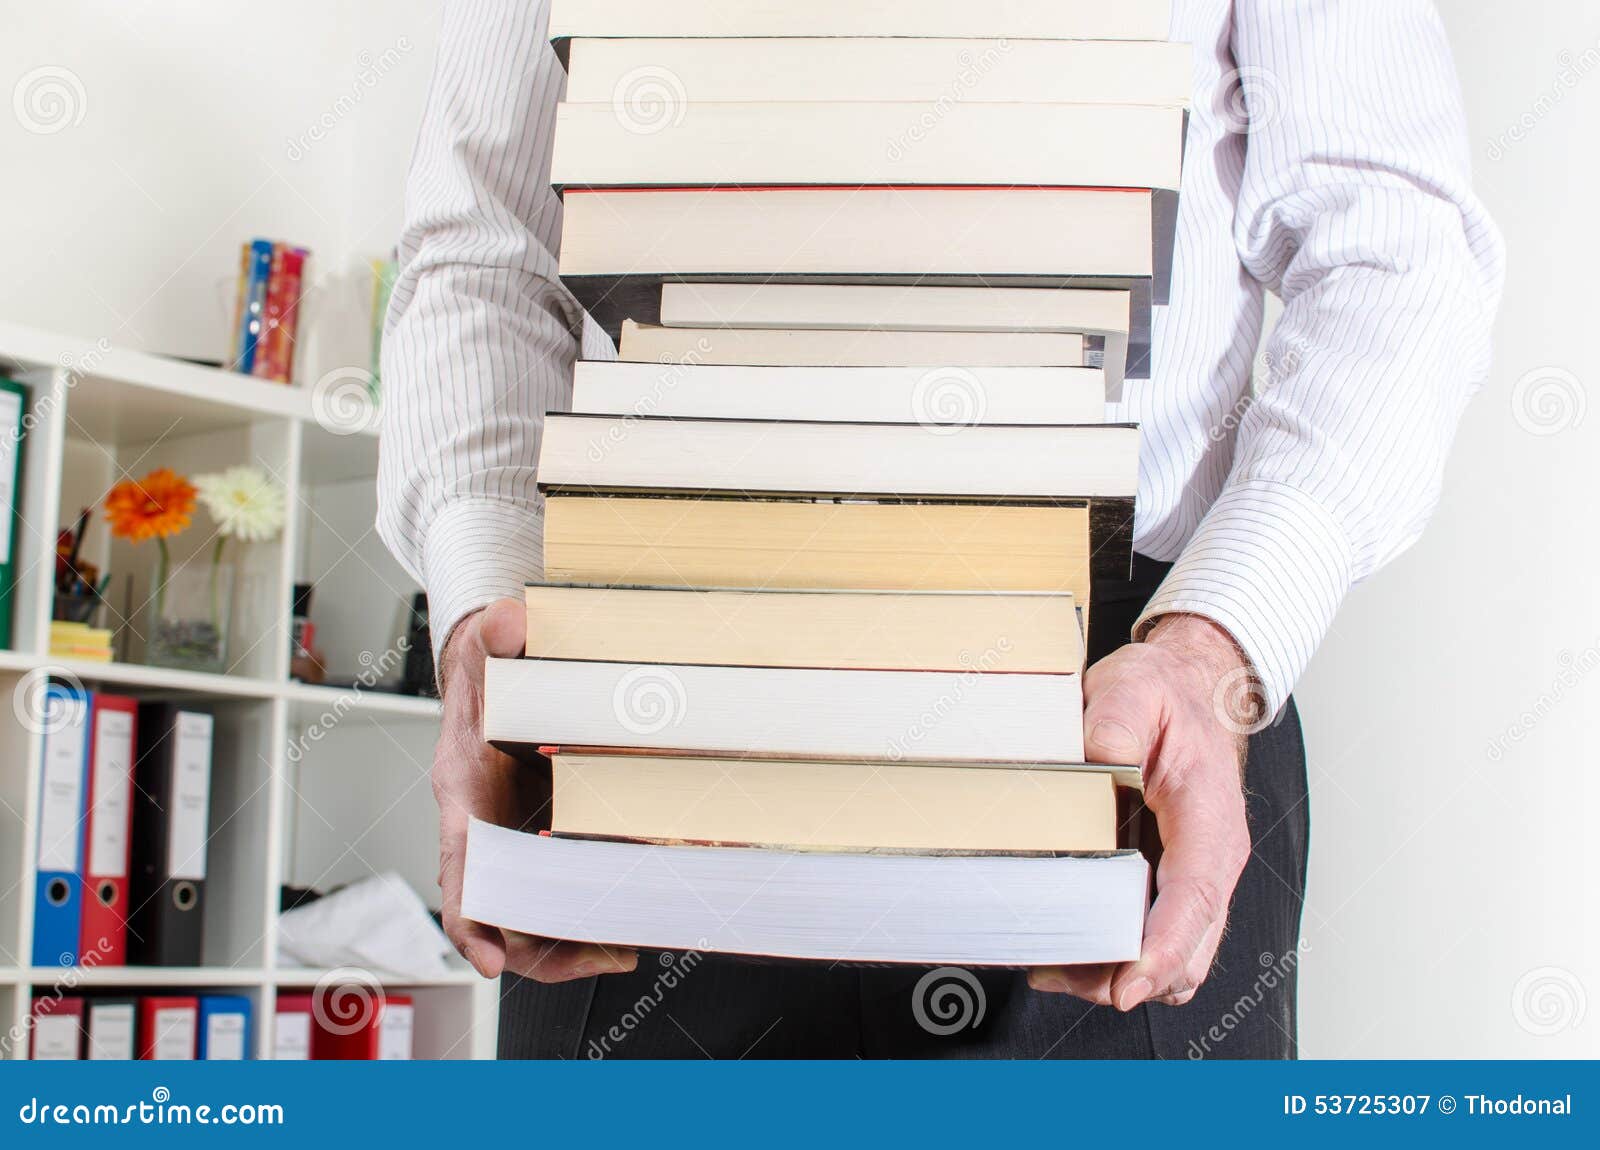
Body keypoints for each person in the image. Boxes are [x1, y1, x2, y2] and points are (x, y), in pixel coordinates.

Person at [377, 0, 1503, 1058]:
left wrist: (1216, 640)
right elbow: (483, 252)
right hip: (650, 678)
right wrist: (492, 634)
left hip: (1132, 687)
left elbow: (1388, 241)